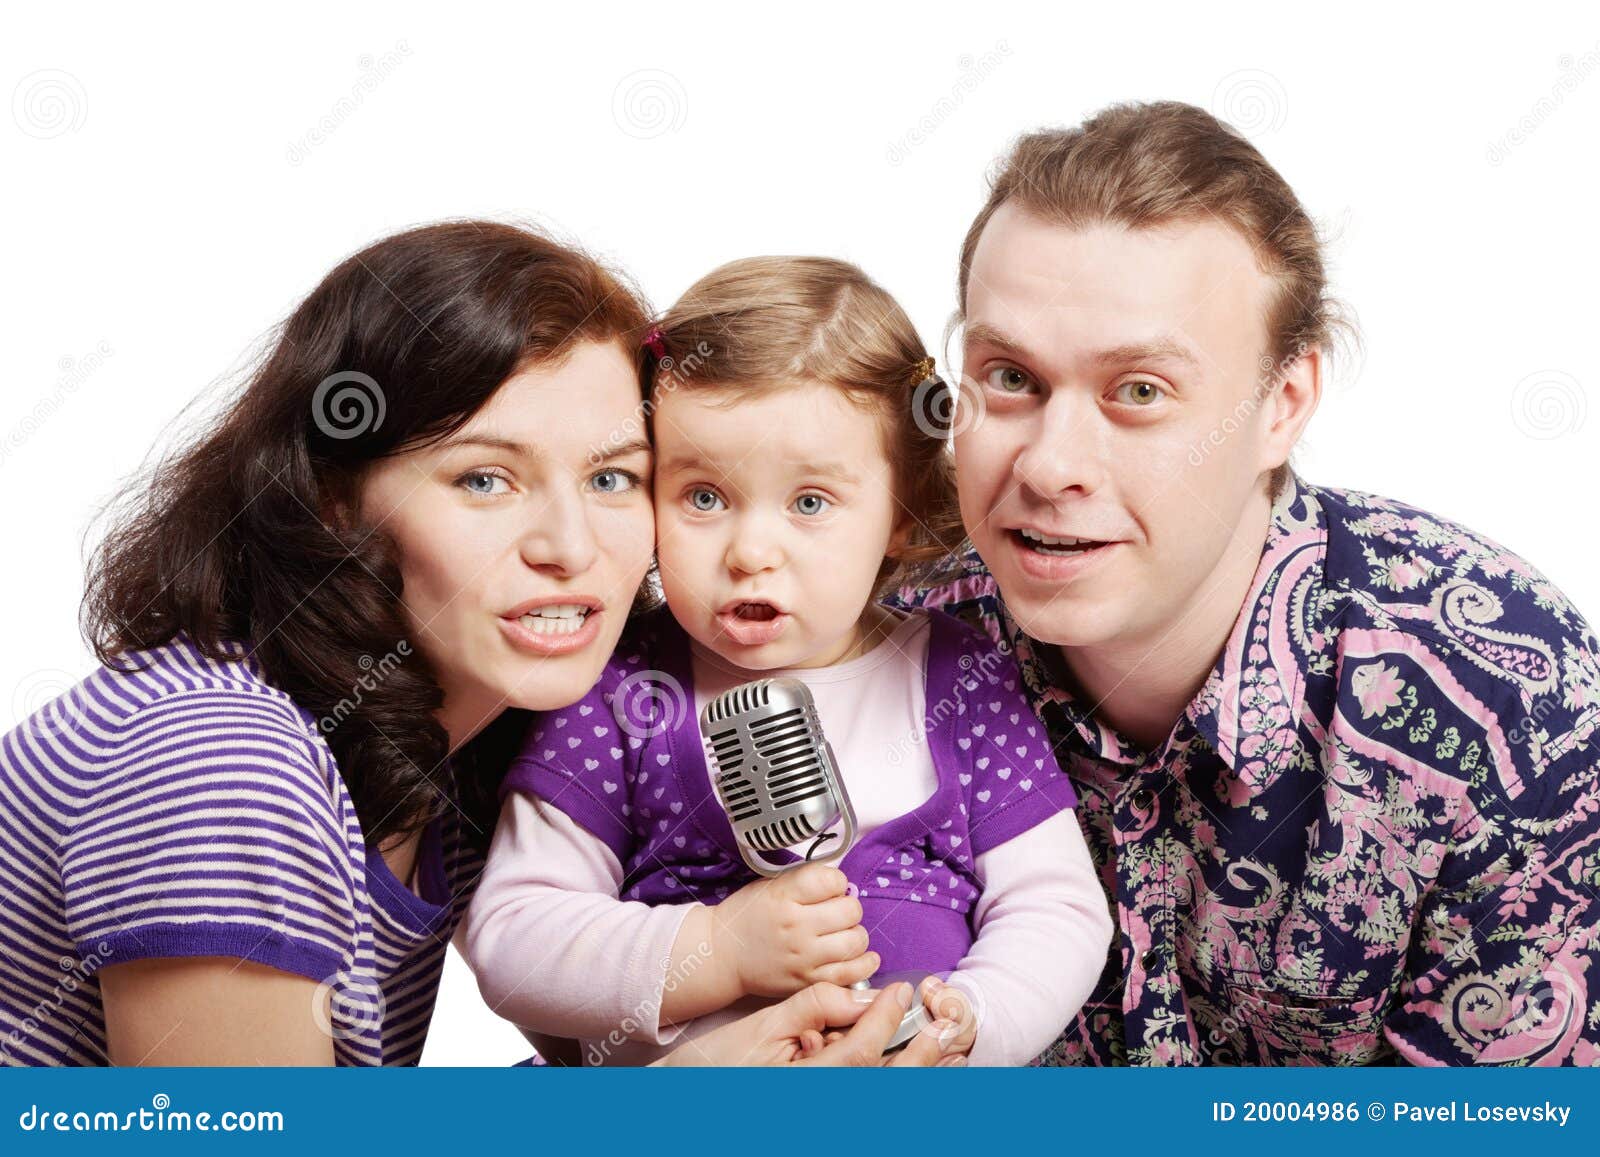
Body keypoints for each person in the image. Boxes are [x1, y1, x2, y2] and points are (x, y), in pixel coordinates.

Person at [0, 221, 951, 1068]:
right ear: (333, 499)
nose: (568, 546)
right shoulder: (219, 759)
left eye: (613, 479)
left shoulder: (454, 768)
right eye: (486, 480)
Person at [895, 101, 1600, 1065]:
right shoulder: (879, 645)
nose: (1050, 465)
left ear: (1283, 404)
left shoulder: (1507, 700)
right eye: (1010, 377)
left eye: (1139, 390)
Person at [464, 257, 1113, 1065]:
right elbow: (514, 936)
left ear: (903, 512)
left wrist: (971, 1024)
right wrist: (716, 947)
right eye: (704, 497)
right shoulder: (618, 690)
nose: (751, 551)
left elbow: (1057, 907)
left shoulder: (962, 676)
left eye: (809, 502)